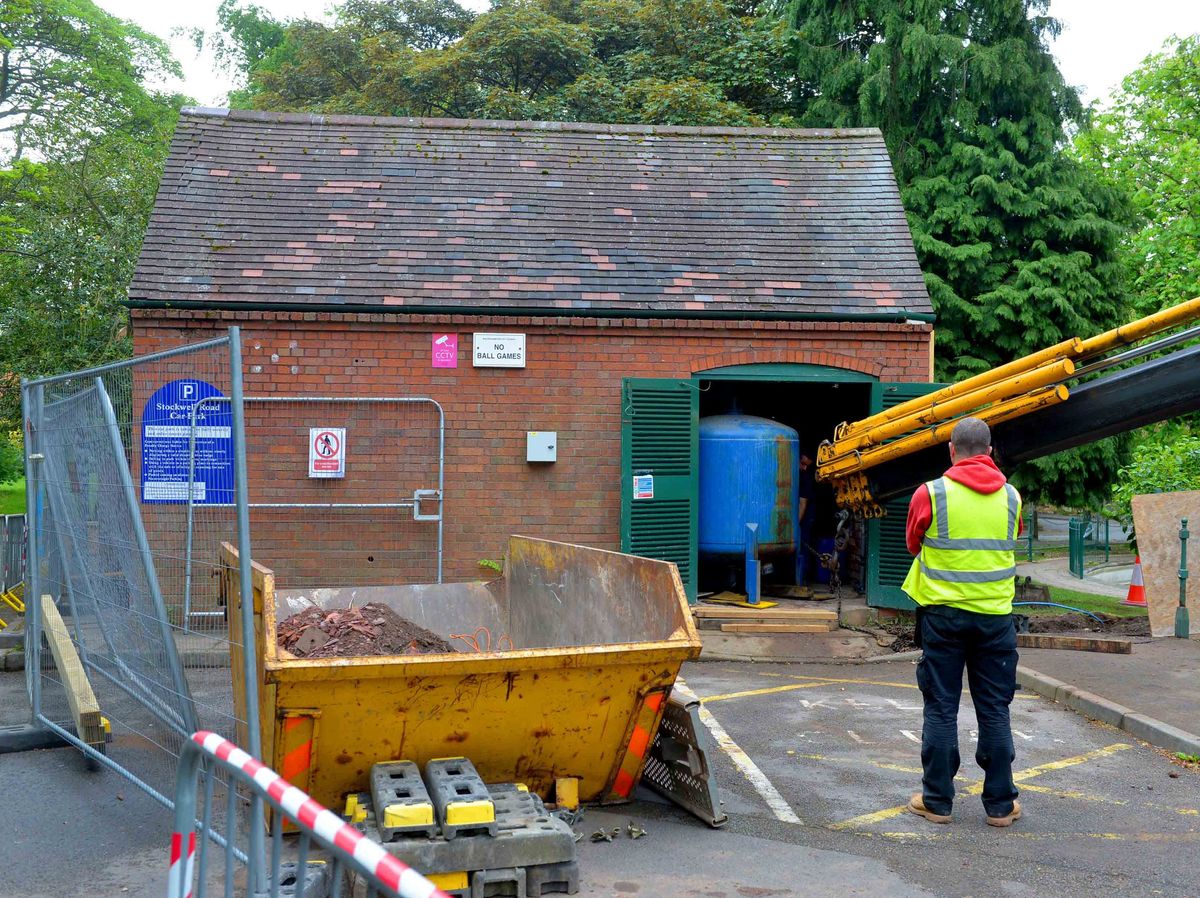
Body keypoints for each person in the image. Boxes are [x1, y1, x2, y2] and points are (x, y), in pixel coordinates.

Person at [901, 417, 1023, 828]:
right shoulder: (1011, 497)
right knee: (994, 709)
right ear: (990, 452)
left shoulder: (930, 493)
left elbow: (913, 543)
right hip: (995, 619)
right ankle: (1001, 806)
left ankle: (937, 801)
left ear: (951, 451)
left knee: (940, 708)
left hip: (944, 617)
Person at [796, 452, 815, 584]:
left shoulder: (806, 478)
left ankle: (802, 578)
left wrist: (795, 524)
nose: (805, 468)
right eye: (802, 464)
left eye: (807, 465)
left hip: (804, 518)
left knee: (803, 546)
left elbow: (803, 503)